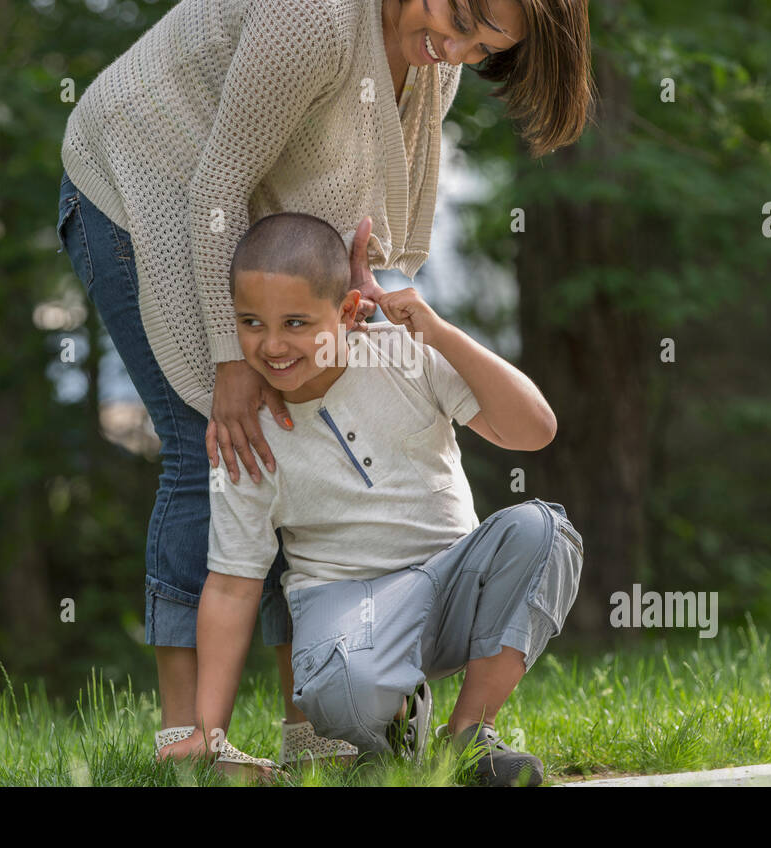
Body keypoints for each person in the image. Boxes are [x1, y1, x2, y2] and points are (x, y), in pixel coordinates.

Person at [55, 0, 594, 767]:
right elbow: (213, 192)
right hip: (143, 185)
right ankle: (189, 738)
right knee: (217, 445)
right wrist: (231, 365)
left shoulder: (429, 61)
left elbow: (392, 228)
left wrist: (384, 322)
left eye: (481, 45)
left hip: (235, 204)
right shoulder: (312, 10)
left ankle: (308, 731)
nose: (452, 47)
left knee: (286, 438)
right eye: (456, 16)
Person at [160, 212, 584, 785]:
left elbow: (534, 429)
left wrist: (441, 334)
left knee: (542, 529)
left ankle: (468, 737)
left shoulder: (405, 354)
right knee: (346, 691)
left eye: (295, 322)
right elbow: (233, 586)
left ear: (346, 311)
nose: (273, 344)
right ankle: (399, 743)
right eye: (251, 323)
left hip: (453, 582)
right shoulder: (250, 432)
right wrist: (209, 730)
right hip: (347, 609)